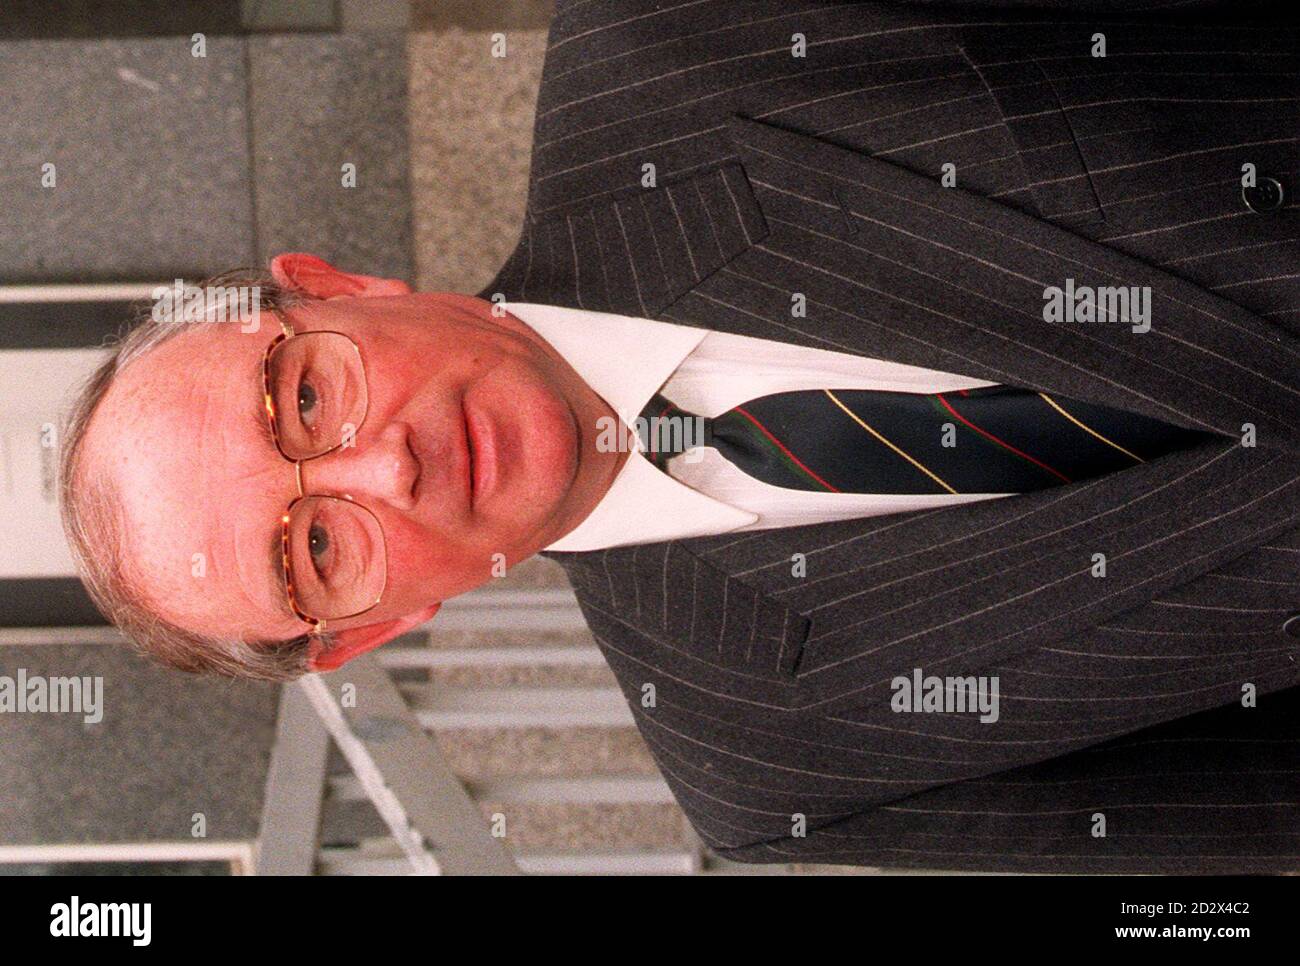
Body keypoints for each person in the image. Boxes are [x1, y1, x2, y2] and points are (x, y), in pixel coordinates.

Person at [60, 0, 1300, 871]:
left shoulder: (667, 32)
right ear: (371, 630)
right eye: (318, 550)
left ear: (337, 285)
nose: (389, 464)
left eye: (303, 401)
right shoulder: (765, 773)